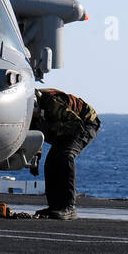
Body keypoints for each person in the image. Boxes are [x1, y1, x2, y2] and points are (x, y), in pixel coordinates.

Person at [30, 87, 101, 220]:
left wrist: (50, 129)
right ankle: (55, 207)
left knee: (66, 156)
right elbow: (36, 135)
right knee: (51, 162)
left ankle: (69, 208)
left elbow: (76, 125)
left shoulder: (52, 102)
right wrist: (36, 158)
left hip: (86, 123)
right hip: (64, 126)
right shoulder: (28, 113)